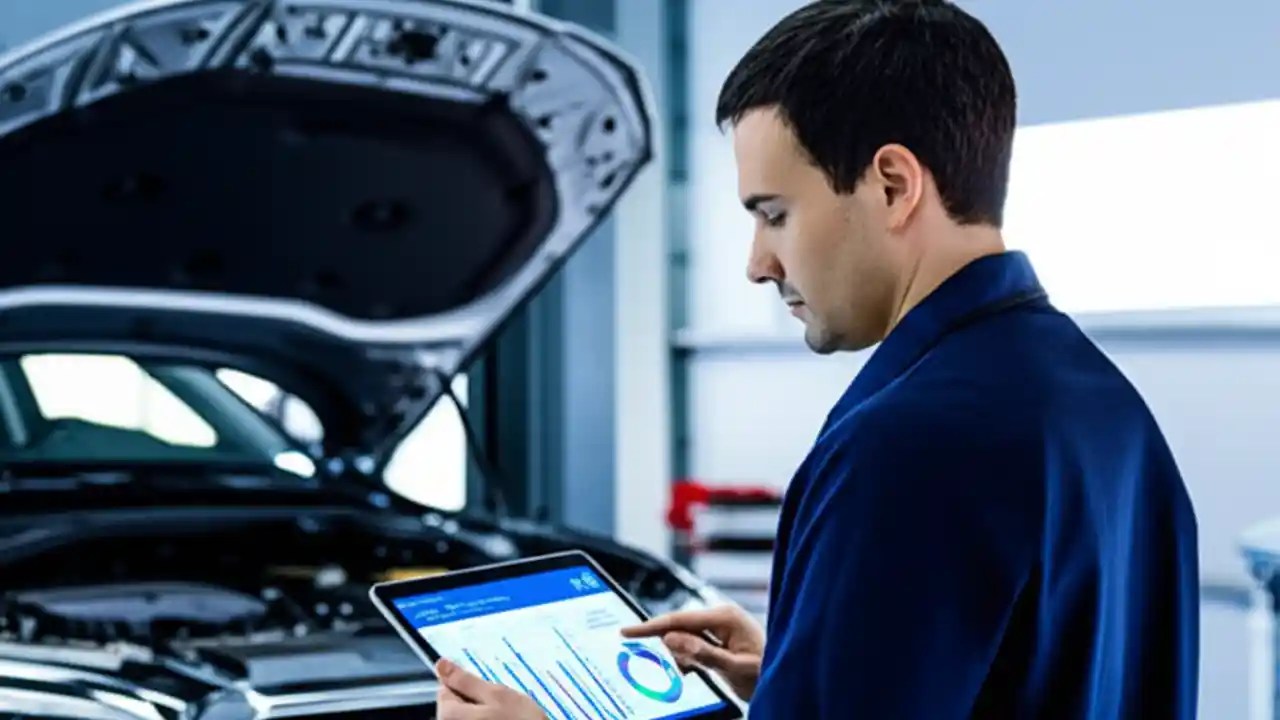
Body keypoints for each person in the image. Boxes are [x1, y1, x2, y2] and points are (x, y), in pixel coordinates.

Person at [433, 0, 1201, 718]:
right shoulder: (1105, 408)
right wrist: (800, 675)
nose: (758, 264)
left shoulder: (909, 444)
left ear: (893, 185)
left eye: (774, 213)